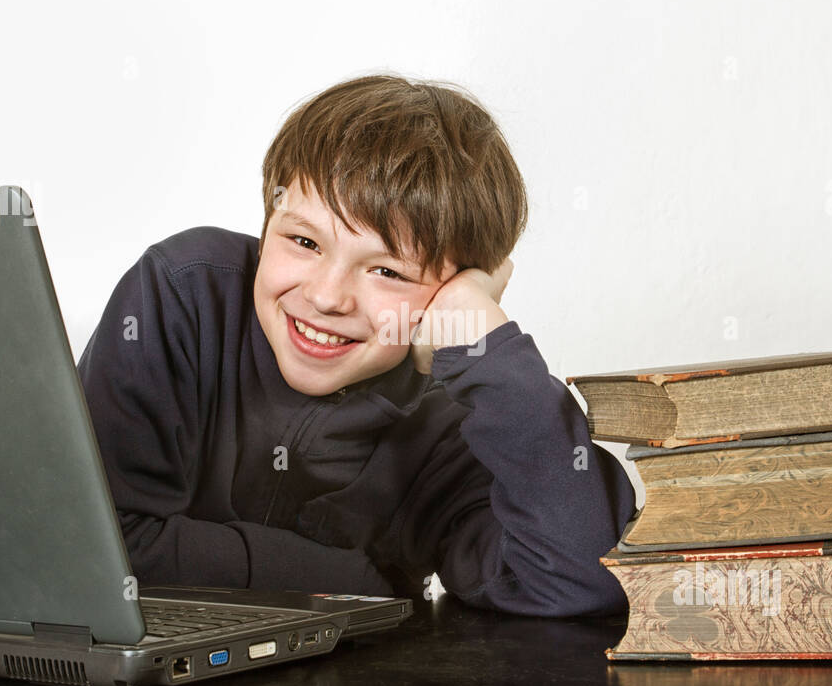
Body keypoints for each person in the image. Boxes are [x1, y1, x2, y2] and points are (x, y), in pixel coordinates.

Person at [76, 74, 637, 616]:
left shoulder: (460, 423)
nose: (325, 297)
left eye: (388, 271)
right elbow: (92, 551)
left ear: (454, 293)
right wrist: (354, 582)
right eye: (302, 241)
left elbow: (584, 577)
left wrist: (484, 347)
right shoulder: (184, 293)